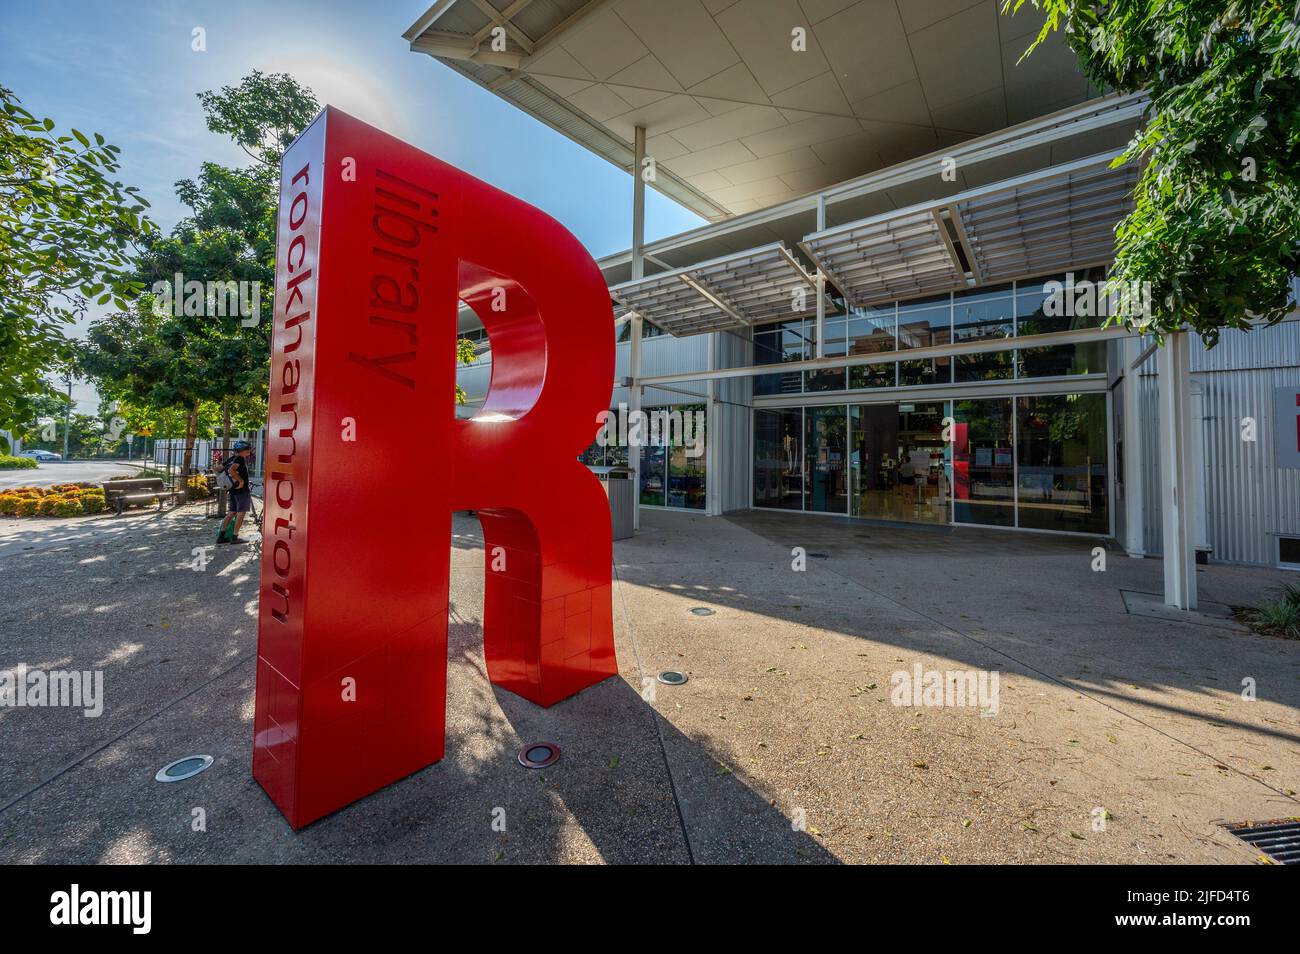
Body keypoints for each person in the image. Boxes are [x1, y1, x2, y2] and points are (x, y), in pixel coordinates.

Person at [216, 440, 255, 544]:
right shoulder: (239, 459)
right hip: (241, 491)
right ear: (242, 451)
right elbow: (231, 470)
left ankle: (221, 536)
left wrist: (227, 480)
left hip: (232, 490)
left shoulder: (231, 459)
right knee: (241, 513)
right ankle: (235, 537)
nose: (249, 451)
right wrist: (241, 480)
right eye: (247, 449)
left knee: (231, 513)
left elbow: (217, 468)